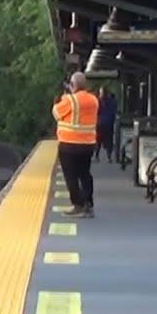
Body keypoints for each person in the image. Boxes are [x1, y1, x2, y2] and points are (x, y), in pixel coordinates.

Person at [53, 71, 100, 218]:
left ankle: (78, 205)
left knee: (71, 176)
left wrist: (64, 96)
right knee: (85, 174)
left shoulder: (70, 100)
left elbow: (56, 113)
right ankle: (88, 204)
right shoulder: (94, 100)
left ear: (72, 85)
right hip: (88, 144)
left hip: (69, 144)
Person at [96, 87, 118, 163]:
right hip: (109, 123)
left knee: (98, 140)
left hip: (99, 124)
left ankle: (96, 156)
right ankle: (109, 157)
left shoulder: (97, 102)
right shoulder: (112, 101)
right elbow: (115, 109)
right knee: (109, 141)